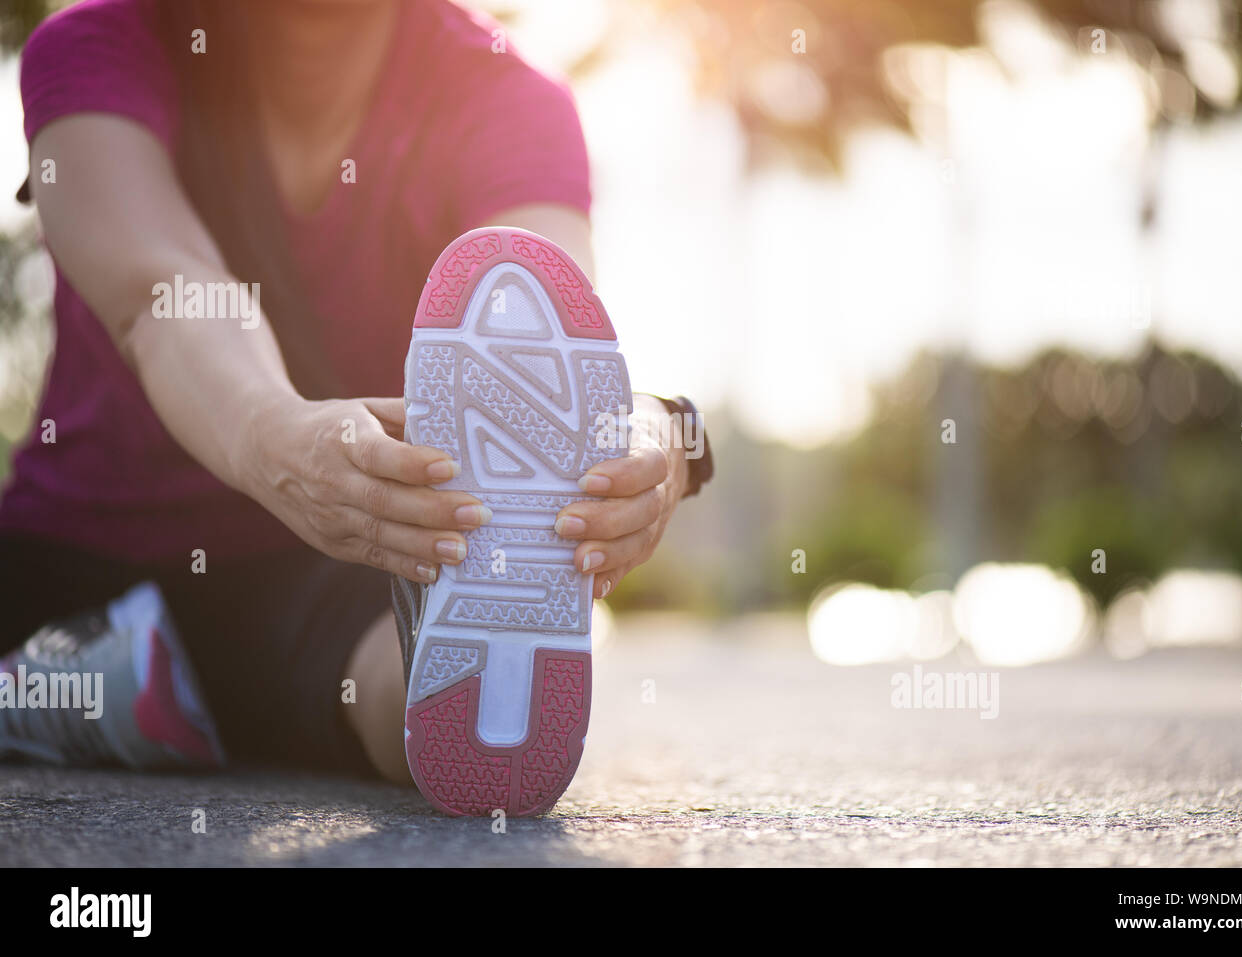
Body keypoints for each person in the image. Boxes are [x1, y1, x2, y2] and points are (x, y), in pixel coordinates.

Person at [0, 0, 711, 810]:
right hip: (74, 549)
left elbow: (545, 342)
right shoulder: (99, 44)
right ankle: (67, 686)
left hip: (338, 559)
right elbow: (162, 294)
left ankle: (466, 716)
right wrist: (276, 435)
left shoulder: (507, 100)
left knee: (413, 672)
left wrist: (650, 436)